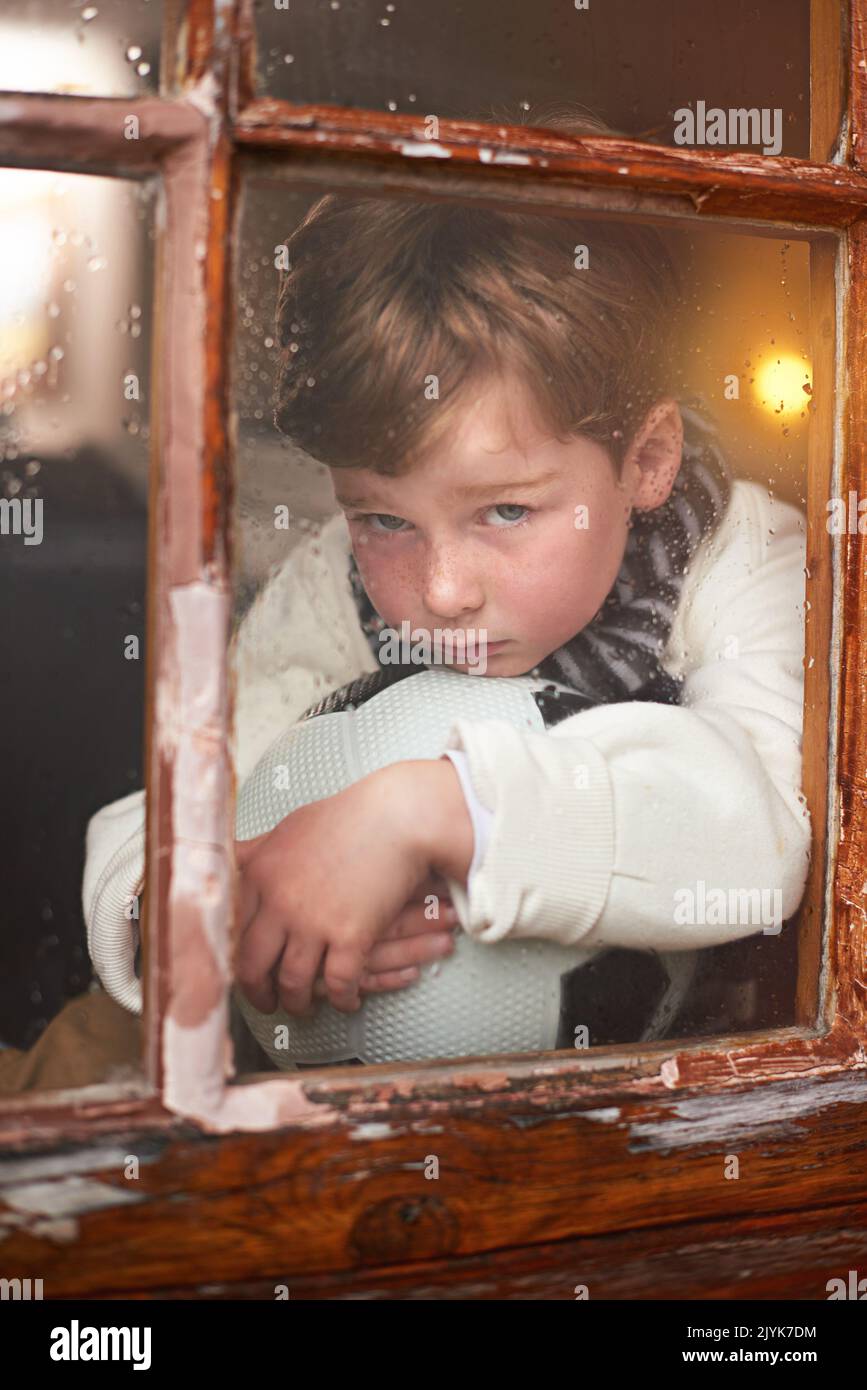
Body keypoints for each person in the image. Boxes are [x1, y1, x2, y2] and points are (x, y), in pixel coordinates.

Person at [81, 110, 811, 1052]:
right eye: (383, 520)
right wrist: (181, 895)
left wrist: (427, 811)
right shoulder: (329, 588)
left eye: (504, 511)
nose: (442, 591)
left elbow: (761, 837)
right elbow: (181, 789)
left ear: (646, 460)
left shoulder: (747, 561)